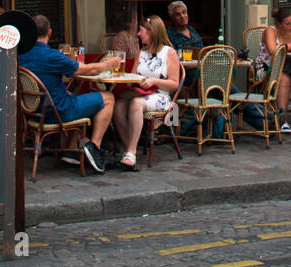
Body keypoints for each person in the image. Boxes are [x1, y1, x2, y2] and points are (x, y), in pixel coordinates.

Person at [19, 15, 121, 174]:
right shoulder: (52, 56)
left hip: (33, 113)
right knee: (108, 98)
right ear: (50, 32)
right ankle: (94, 146)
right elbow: (87, 70)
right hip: (58, 112)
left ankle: (71, 151)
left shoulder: (20, 54)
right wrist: (108, 64)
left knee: (75, 95)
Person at [111, 16, 183, 171]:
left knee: (136, 103)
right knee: (118, 106)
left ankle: (131, 152)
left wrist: (154, 81)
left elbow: (174, 84)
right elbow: (131, 77)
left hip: (161, 96)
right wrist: (125, 79)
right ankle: (128, 148)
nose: (138, 34)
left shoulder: (168, 53)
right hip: (140, 92)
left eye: (141, 31)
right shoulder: (141, 53)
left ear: (152, 32)